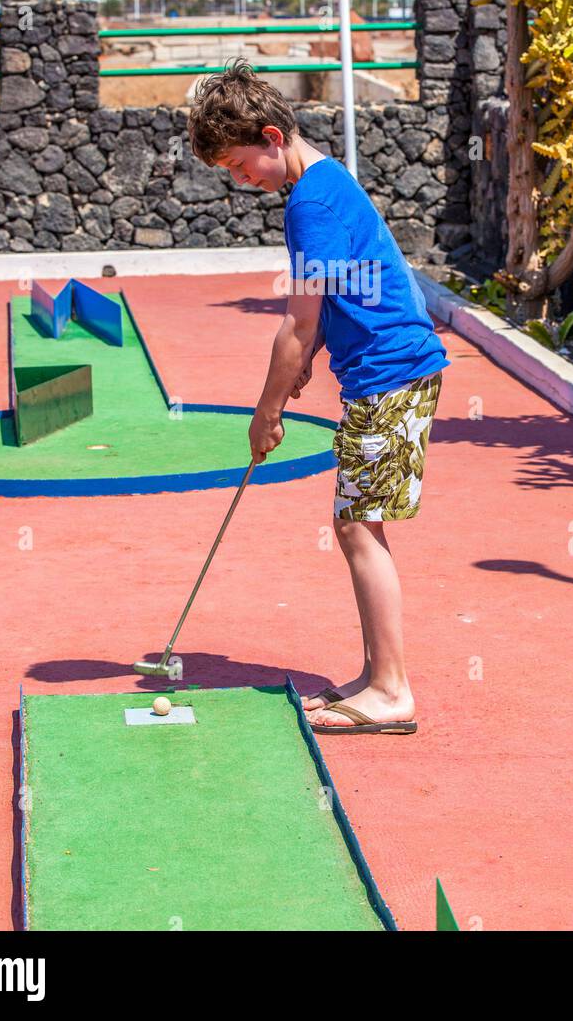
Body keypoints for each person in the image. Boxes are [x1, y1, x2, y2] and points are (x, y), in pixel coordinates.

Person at [188, 59, 449, 734]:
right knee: (359, 523)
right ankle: (375, 675)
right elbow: (343, 290)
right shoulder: (326, 179)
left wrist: (267, 410)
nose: (242, 181)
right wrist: (314, 353)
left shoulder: (309, 205)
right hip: (389, 367)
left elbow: (298, 322)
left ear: (273, 136)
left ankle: (392, 692)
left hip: (390, 372)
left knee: (357, 526)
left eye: (242, 167)